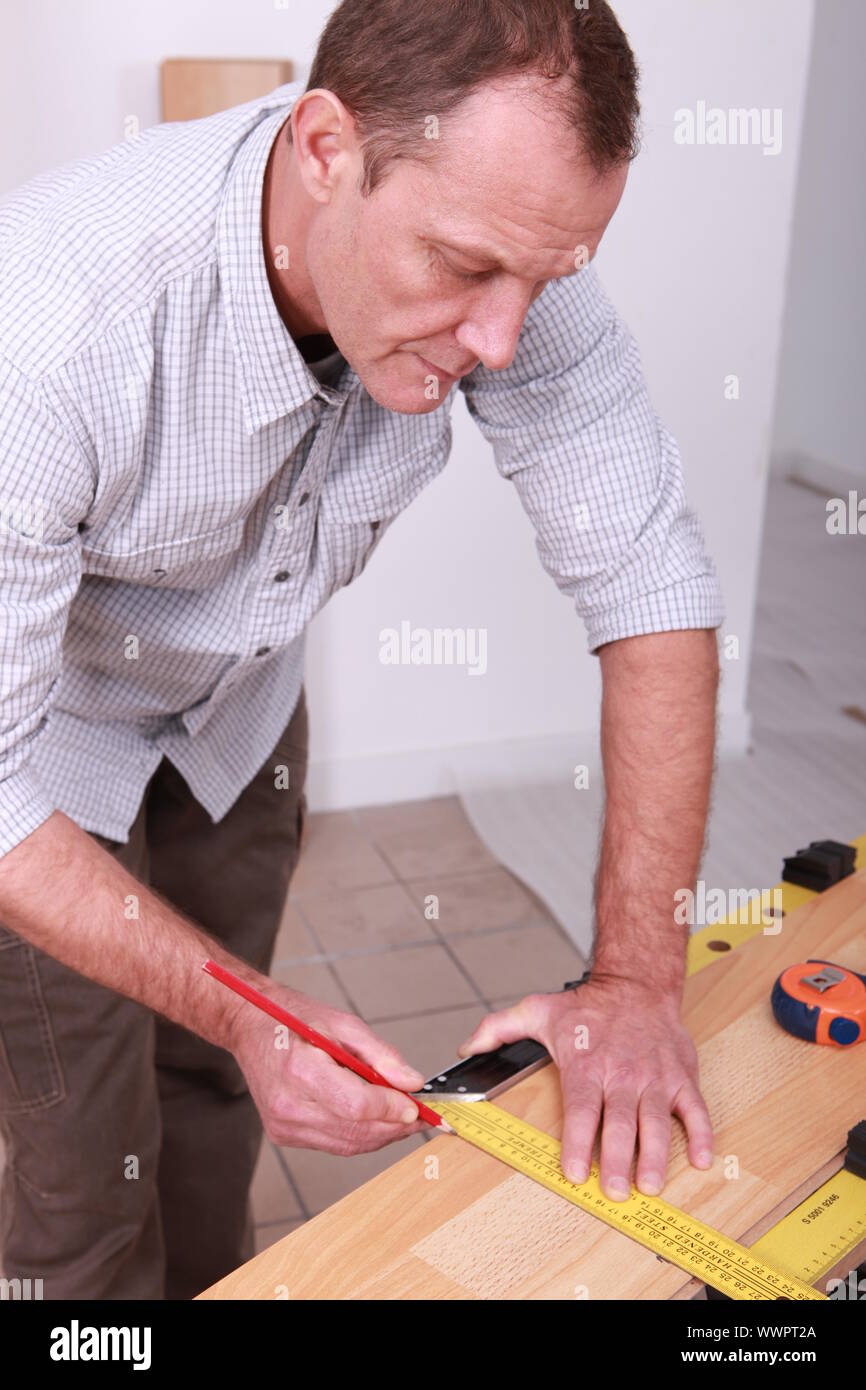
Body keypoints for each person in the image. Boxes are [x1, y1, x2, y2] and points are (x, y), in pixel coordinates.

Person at [0, 0, 723, 1299]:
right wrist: (240, 1006)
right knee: (81, 1160)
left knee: (214, 1081)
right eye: (459, 267)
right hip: (42, 752)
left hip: (234, 713)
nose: (500, 340)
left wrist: (631, 978)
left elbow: (649, 578)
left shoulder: (501, 249)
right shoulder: (49, 329)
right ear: (326, 147)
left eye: (540, 280)